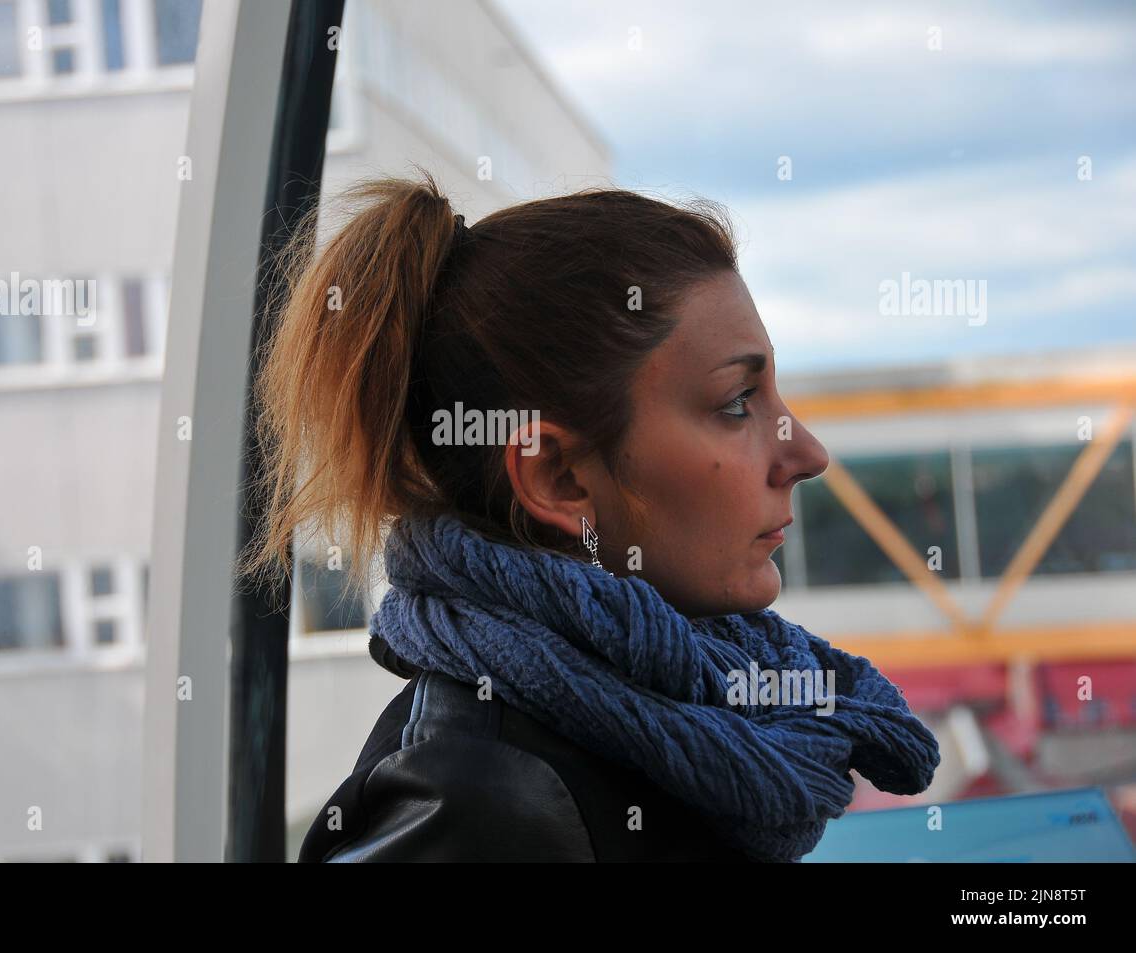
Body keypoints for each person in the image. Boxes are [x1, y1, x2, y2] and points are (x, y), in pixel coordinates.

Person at [236, 168, 941, 862]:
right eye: (736, 404)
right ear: (559, 478)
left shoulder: (706, 708)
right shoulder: (479, 810)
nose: (808, 453)